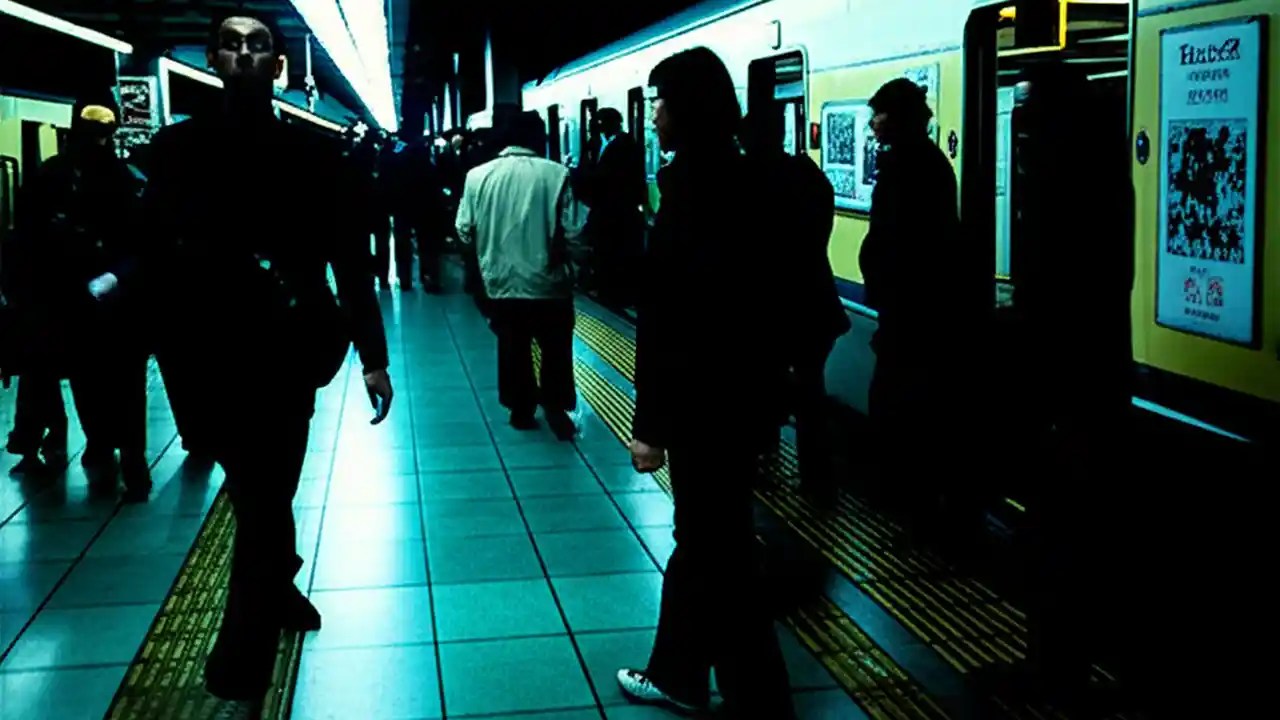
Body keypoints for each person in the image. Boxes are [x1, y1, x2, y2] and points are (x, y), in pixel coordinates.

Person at [140, 11, 394, 702]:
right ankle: (279, 587)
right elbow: (151, 256)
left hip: (287, 353)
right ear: (214, 58)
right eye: (233, 44)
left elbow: (351, 260)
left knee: (260, 496)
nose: (246, 55)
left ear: (278, 65)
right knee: (264, 494)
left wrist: (374, 355)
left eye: (260, 45)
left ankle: (240, 658)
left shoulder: (318, 157)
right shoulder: (174, 151)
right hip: (205, 355)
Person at [617, 47, 795, 719]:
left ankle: (756, 698)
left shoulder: (693, 191)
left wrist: (649, 423)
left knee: (714, 549)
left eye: (660, 102)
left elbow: (672, 323)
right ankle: (683, 673)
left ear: (685, 108)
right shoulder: (749, 180)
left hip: (703, 407)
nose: (653, 114)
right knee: (712, 543)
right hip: (741, 399)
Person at [5, 93, 148, 493]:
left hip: (79, 296)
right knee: (115, 380)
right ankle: (125, 454)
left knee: (96, 378)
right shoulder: (124, 177)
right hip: (95, 296)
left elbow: (26, 239)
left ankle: (113, 448)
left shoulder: (51, 175)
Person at [858, 78, 967, 519]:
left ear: (896, 118)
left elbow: (901, 241)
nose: (873, 125)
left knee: (899, 403)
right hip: (916, 308)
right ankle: (909, 489)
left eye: (878, 116)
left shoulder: (908, 167)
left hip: (911, 311)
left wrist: (883, 278)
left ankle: (906, 495)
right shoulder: (928, 163)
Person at [455, 111, 584, 440]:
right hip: (550, 283)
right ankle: (556, 408)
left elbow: (464, 230)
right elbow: (574, 231)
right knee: (555, 348)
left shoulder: (477, 177)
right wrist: (572, 270)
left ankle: (520, 409)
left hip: (500, 283)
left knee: (512, 346)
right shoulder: (557, 174)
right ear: (538, 139)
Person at [742, 109, 849, 502]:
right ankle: (818, 482)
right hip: (812, 303)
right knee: (811, 393)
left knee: (757, 388)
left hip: (764, 308)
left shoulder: (743, 180)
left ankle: (759, 464)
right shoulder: (808, 174)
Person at [581, 107, 647, 309]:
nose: (601, 129)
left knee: (615, 254)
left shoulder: (624, 145)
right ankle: (612, 292)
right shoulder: (601, 144)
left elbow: (609, 177)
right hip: (611, 211)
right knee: (610, 253)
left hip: (617, 211)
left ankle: (616, 295)